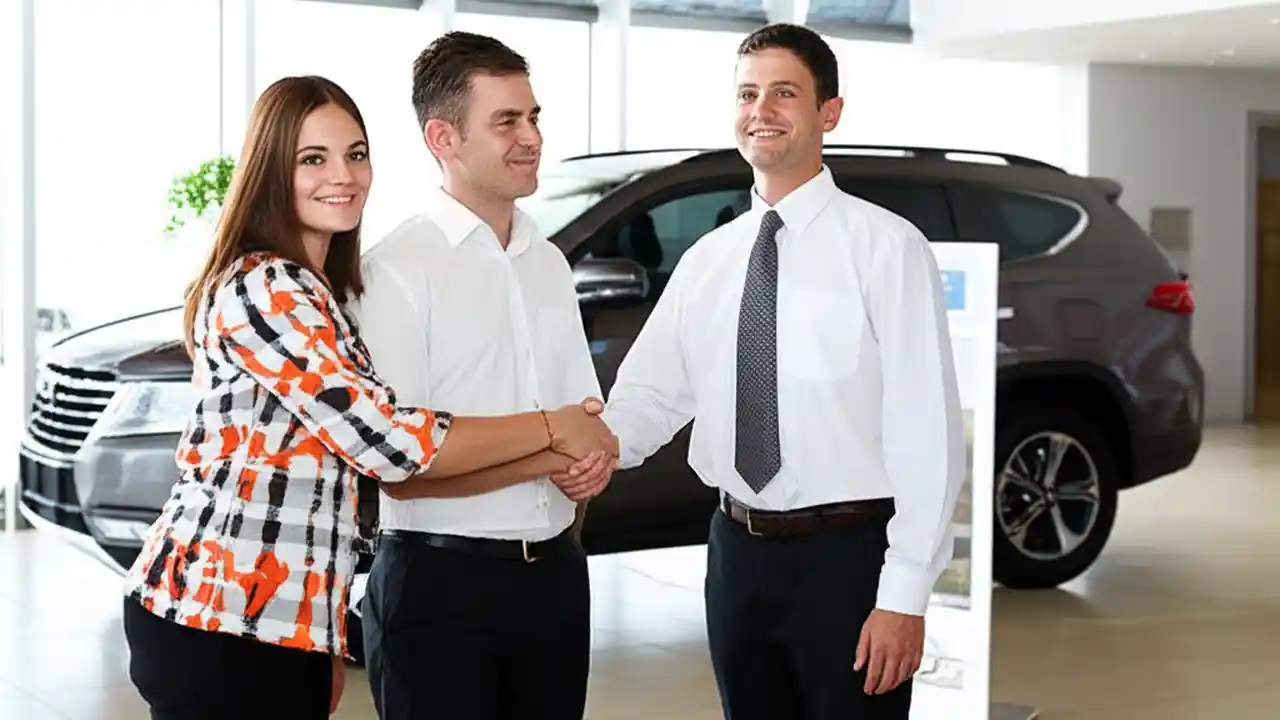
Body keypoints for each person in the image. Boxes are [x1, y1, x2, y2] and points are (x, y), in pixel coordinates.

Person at [120, 74, 616, 720]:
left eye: (356, 154)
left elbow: (329, 486)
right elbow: (392, 443)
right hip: (217, 615)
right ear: (271, 171)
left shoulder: (318, 289)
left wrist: (319, 638)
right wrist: (552, 428)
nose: (344, 176)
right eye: (313, 159)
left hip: (275, 620)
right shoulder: (267, 288)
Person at [598, 23, 966, 720]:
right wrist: (590, 449)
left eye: (783, 93)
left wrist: (904, 595)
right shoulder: (710, 258)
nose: (759, 110)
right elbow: (650, 395)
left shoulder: (888, 249)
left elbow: (928, 435)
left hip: (850, 560)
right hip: (737, 556)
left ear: (829, 112)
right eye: (747, 93)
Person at [350, 32, 614, 720]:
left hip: (556, 577)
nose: (531, 137)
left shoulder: (549, 263)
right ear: (444, 137)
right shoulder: (394, 272)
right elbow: (402, 465)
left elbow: (583, 424)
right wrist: (552, 448)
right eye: (507, 122)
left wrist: (589, 460)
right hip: (438, 587)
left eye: (533, 117)